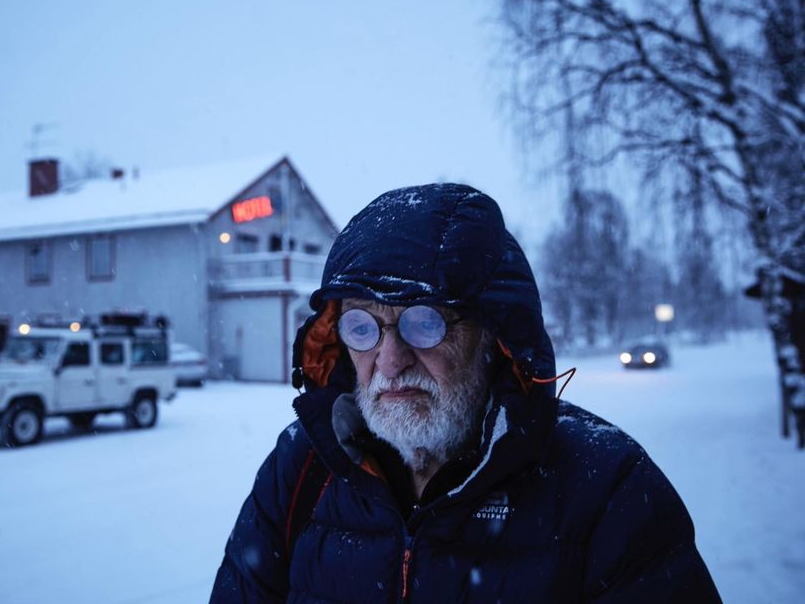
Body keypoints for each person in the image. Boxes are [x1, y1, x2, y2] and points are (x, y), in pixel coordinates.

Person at [210, 184, 721, 603]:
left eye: (424, 322)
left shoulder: (606, 489)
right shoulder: (302, 469)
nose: (389, 362)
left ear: (494, 340)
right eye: (362, 327)